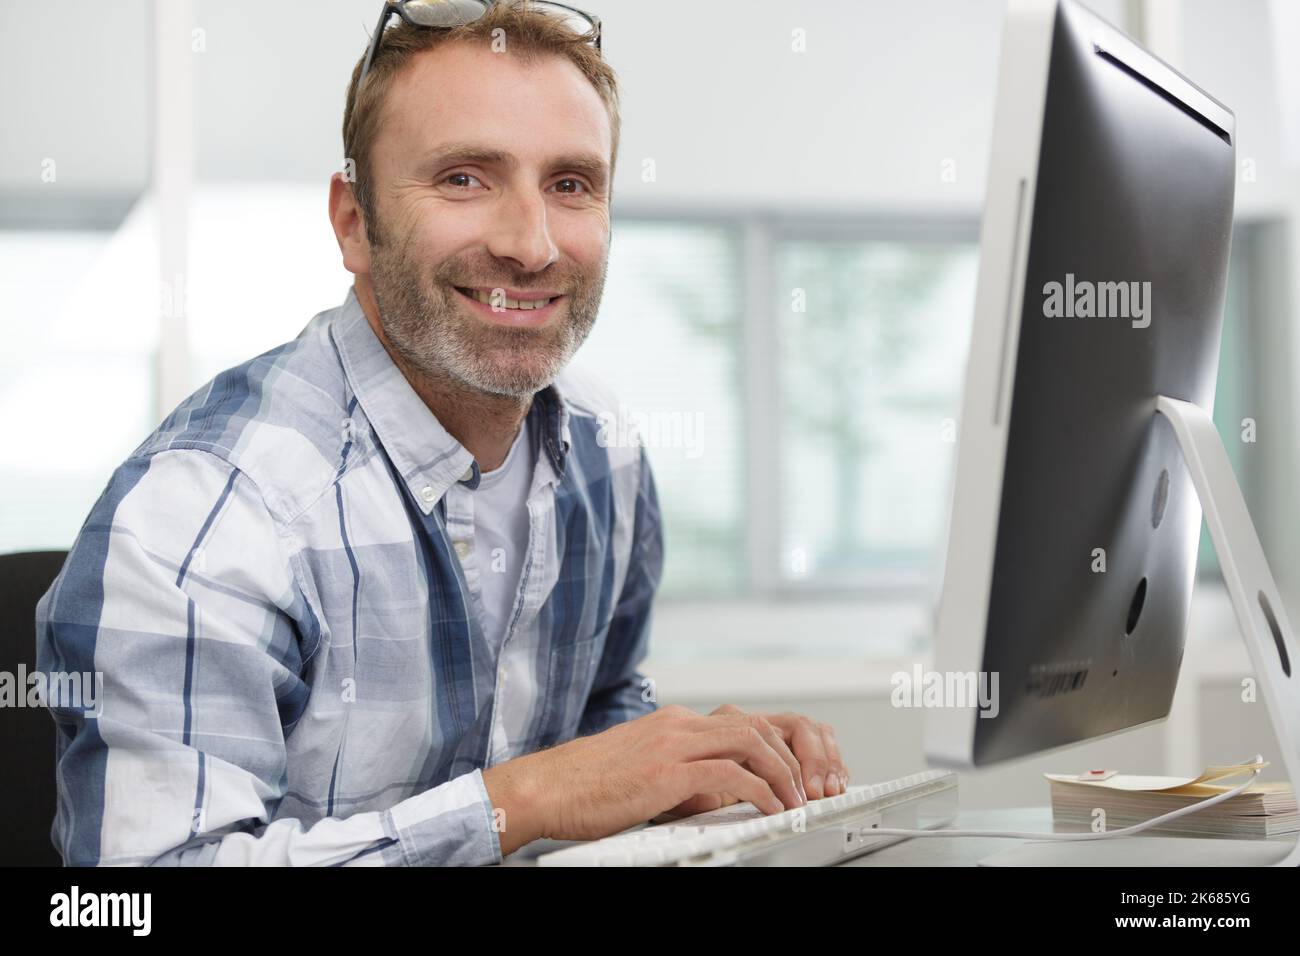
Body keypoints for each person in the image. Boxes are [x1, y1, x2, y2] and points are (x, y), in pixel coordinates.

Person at [35, 0, 847, 866]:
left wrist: (683, 778)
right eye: (465, 178)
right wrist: (524, 801)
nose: (531, 245)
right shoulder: (207, 514)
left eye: (571, 184)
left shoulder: (605, 458)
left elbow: (604, 717)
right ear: (354, 221)